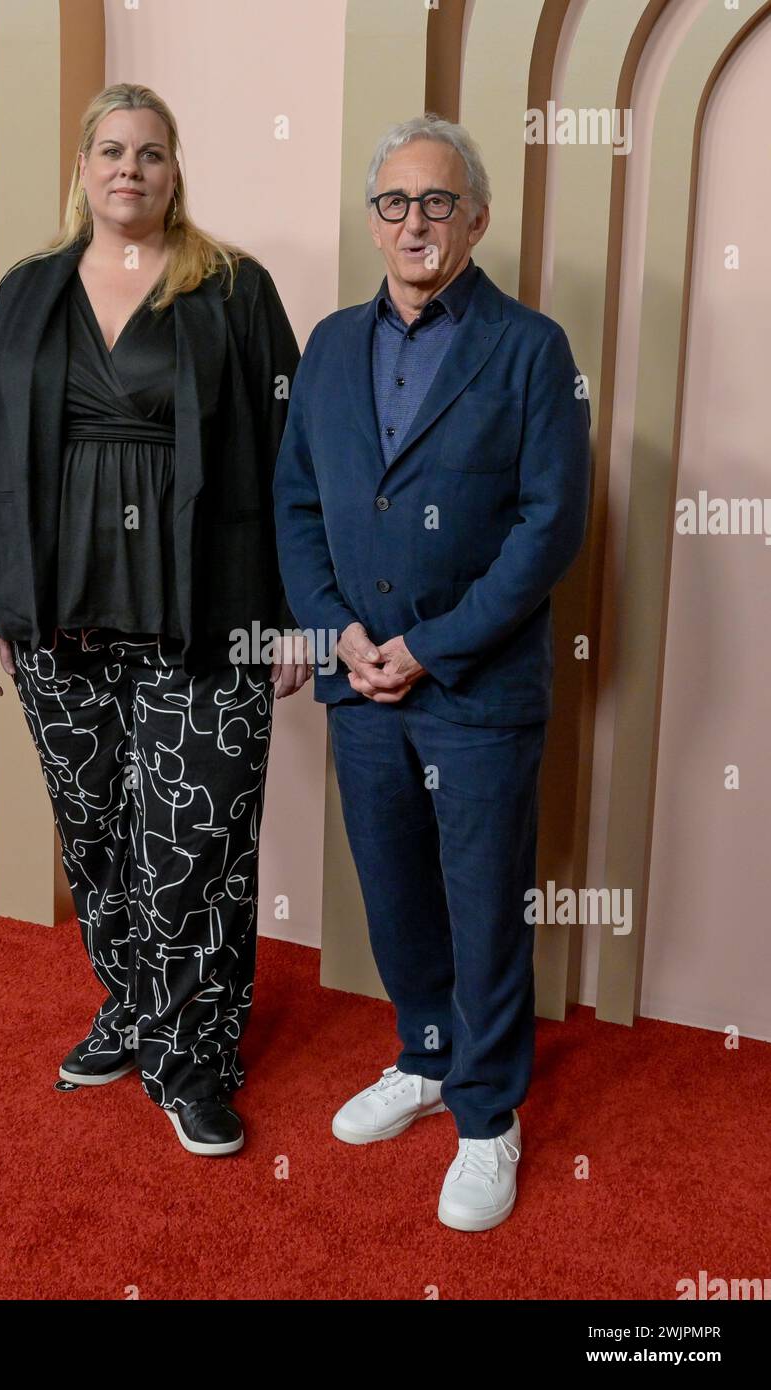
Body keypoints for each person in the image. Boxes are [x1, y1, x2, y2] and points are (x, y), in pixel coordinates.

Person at [0, 82, 308, 1157]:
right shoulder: (27, 291)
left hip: (206, 614)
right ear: (85, 165)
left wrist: (294, 612)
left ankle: (195, 1056)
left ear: (175, 170)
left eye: (151, 153)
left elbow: (296, 458)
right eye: (112, 150)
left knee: (196, 845)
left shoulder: (234, 289)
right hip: (58, 618)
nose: (130, 169)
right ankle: (131, 1005)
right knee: (100, 835)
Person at [273, 114, 591, 1228]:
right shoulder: (325, 347)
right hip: (360, 682)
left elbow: (551, 528)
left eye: (439, 202)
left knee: (482, 904)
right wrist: (333, 631)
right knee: (396, 893)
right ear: (374, 222)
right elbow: (299, 505)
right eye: (396, 204)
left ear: (478, 218)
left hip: (475, 691)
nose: (416, 223)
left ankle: (488, 1117)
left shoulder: (531, 349)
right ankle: (424, 1054)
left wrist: (433, 644)